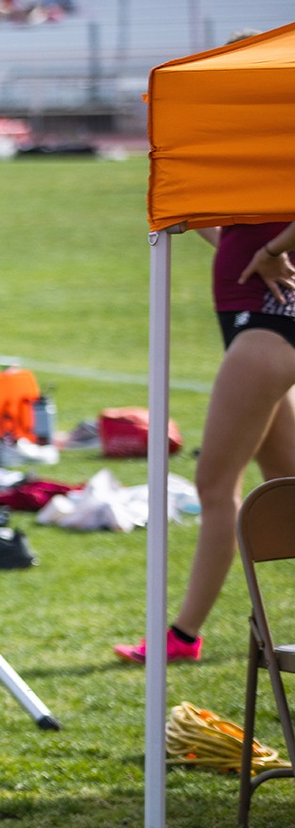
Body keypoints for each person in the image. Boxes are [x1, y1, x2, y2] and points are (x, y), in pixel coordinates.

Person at [114, 222, 295, 664]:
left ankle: (183, 634)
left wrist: (273, 250)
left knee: (215, 489)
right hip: (259, 324)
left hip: (267, 326)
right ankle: (183, 636)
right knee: (288, 490)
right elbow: (233, 229)